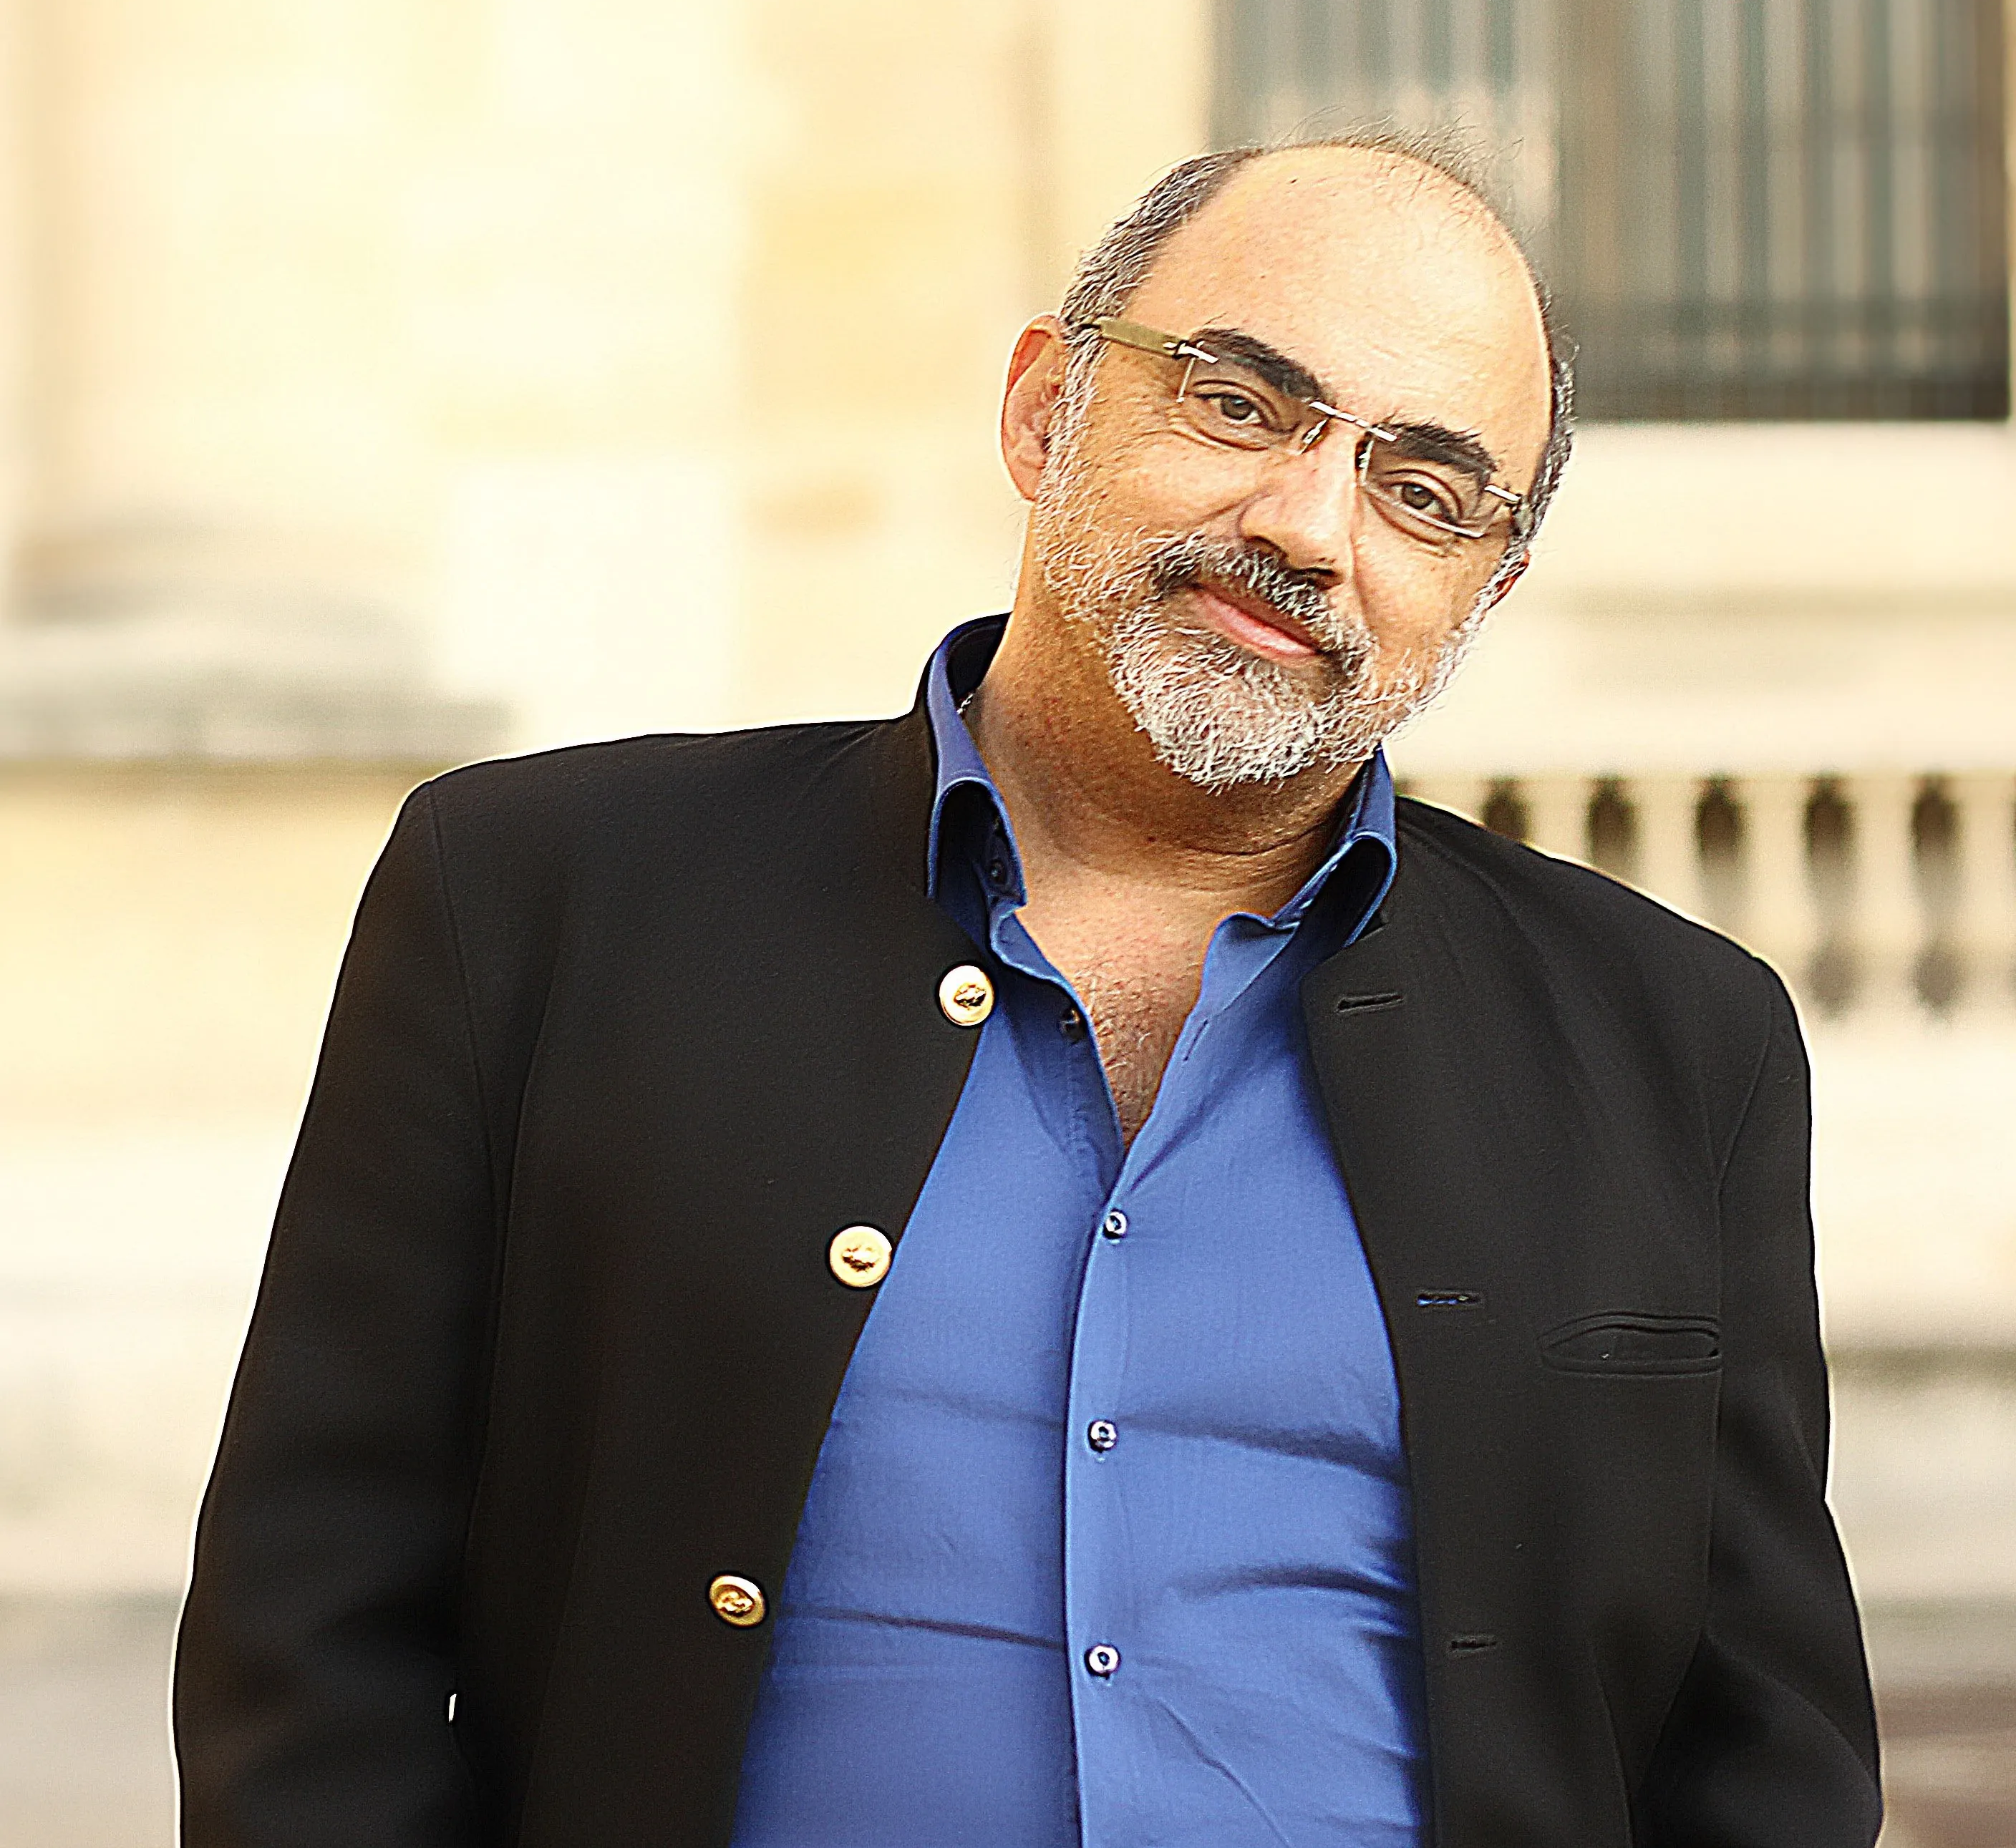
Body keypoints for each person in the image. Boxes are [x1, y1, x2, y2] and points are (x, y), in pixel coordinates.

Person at [175, 139, 1881, 1848]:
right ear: (1043, 412)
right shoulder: (538, 903)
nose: (1304, 527)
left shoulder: (1677, 1046)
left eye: (1421, 493)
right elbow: (310, 1648)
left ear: (1482, 591)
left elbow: (1764, 1756)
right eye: (1238, 405)